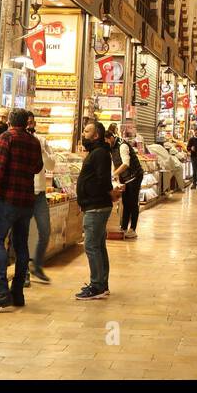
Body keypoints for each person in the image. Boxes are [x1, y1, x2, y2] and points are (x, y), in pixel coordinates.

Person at [0, 108, 43, 312]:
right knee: (21, 246)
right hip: (26, 201)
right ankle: (17, 292)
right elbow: (38, 167)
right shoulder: (33, 141)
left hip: (7, 200)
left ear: (9, 122)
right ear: (26, 123)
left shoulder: (6, 138)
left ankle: (0, 293)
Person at [76, 120, 122, 300]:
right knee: (98, 246)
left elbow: (103, 180)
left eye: (86, 131)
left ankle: (97, 286)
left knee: (92, 246)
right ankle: (101, 284)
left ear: (96, 135)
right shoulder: (98, 152)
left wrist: (111, 193)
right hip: (94, 205)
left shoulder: (100, 153)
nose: (83, 134)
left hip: (96, 206)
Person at [28, 112, 54, 284]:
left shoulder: (42, 141)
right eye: (26, 122)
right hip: (23, 193)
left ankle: (36, 265)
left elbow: (51, 165)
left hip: (40, 194)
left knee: (45, 231)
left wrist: (42, 150)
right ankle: (23, 272)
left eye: (31, 122)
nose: (29, 125)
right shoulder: (15, 140)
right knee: (21, 234)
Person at [112, 122, 144, 239]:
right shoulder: (112, 146)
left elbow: (126, 163)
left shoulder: (122, 145)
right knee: (126, 202)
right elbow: (115, 162)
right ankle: (124, 227)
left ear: (110, 138)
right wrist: (116, 175)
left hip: (135, 176)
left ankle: (132, 229)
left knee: (132, 203)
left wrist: (114, 174)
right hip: (125, 178)